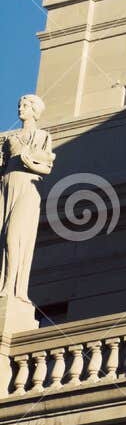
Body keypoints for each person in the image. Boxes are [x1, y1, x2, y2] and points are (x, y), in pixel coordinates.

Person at [0, 95, 55, 303]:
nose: (20, 109)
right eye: (19, 106)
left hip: (28, 188)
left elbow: (46, 168)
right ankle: (3, 284)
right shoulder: (10, 139)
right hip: (5, 188)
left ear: (35, 111)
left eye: (25, 106)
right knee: (2, 239)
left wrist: (28, 161)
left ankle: (13, 287)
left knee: (13, 237)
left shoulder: (42, 136)